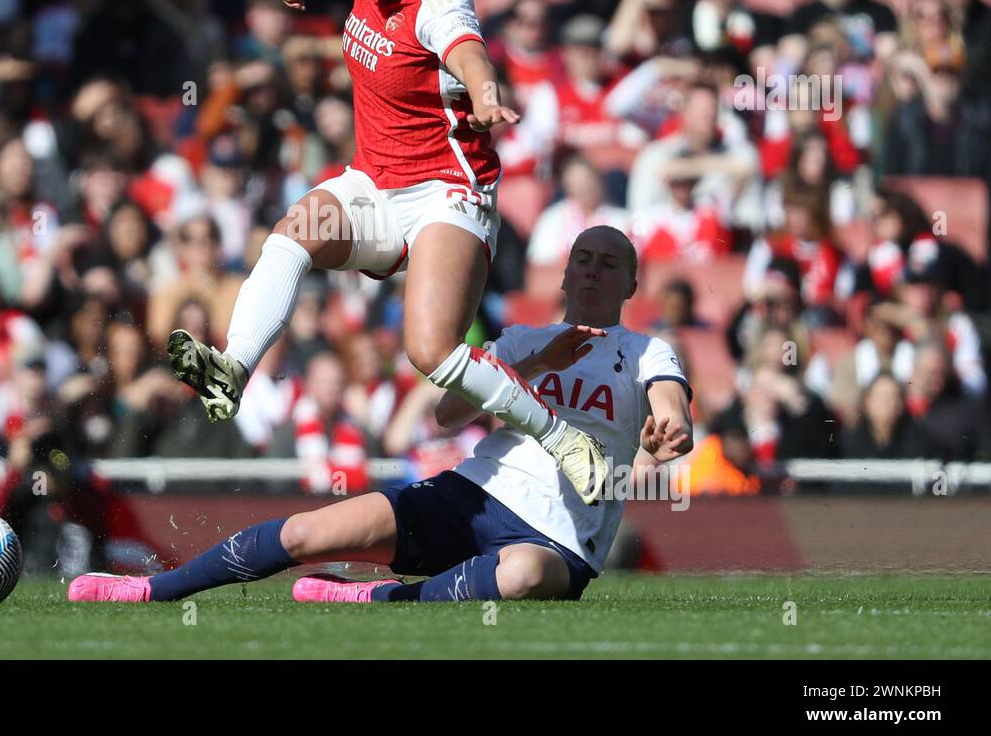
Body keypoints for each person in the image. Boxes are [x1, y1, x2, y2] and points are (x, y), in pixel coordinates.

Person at [169, 0, 610, 502]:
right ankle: (231, 370)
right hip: (376, 182)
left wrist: (486, 92)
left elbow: (465, 47)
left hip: (448, 194)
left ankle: (562, 439)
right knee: (291, 234)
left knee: (432, 354)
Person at [67, 226, 693, 605]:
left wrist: (671, 428)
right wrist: (532, 364)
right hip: (472, 494)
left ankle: (376, 597)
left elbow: (672, 413)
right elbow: (449, 413)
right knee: (306, 535)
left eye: (610, 264)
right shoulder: (523, 338)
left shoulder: (646, 350)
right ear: (564, 271)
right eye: (584, 258)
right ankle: (152, 589)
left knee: (525, 574)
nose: (592, 269)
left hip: (558, 538)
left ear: (632, 286)